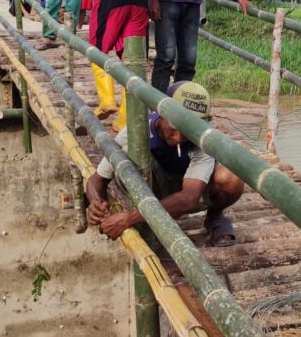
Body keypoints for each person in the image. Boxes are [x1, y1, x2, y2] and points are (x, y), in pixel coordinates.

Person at [84, 81, 243, 246]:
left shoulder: (204, 140)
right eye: (174, 127)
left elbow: (189, 198)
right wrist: (95, 201)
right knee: (126, 153)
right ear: (161, 114)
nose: (179, 137)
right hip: (153, 190)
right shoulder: (137, 131)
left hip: (191, 189)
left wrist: (129, 218)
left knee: (231, 178)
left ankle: (214, 216)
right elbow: (97, 180)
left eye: (189, 130)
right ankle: (148, 221)